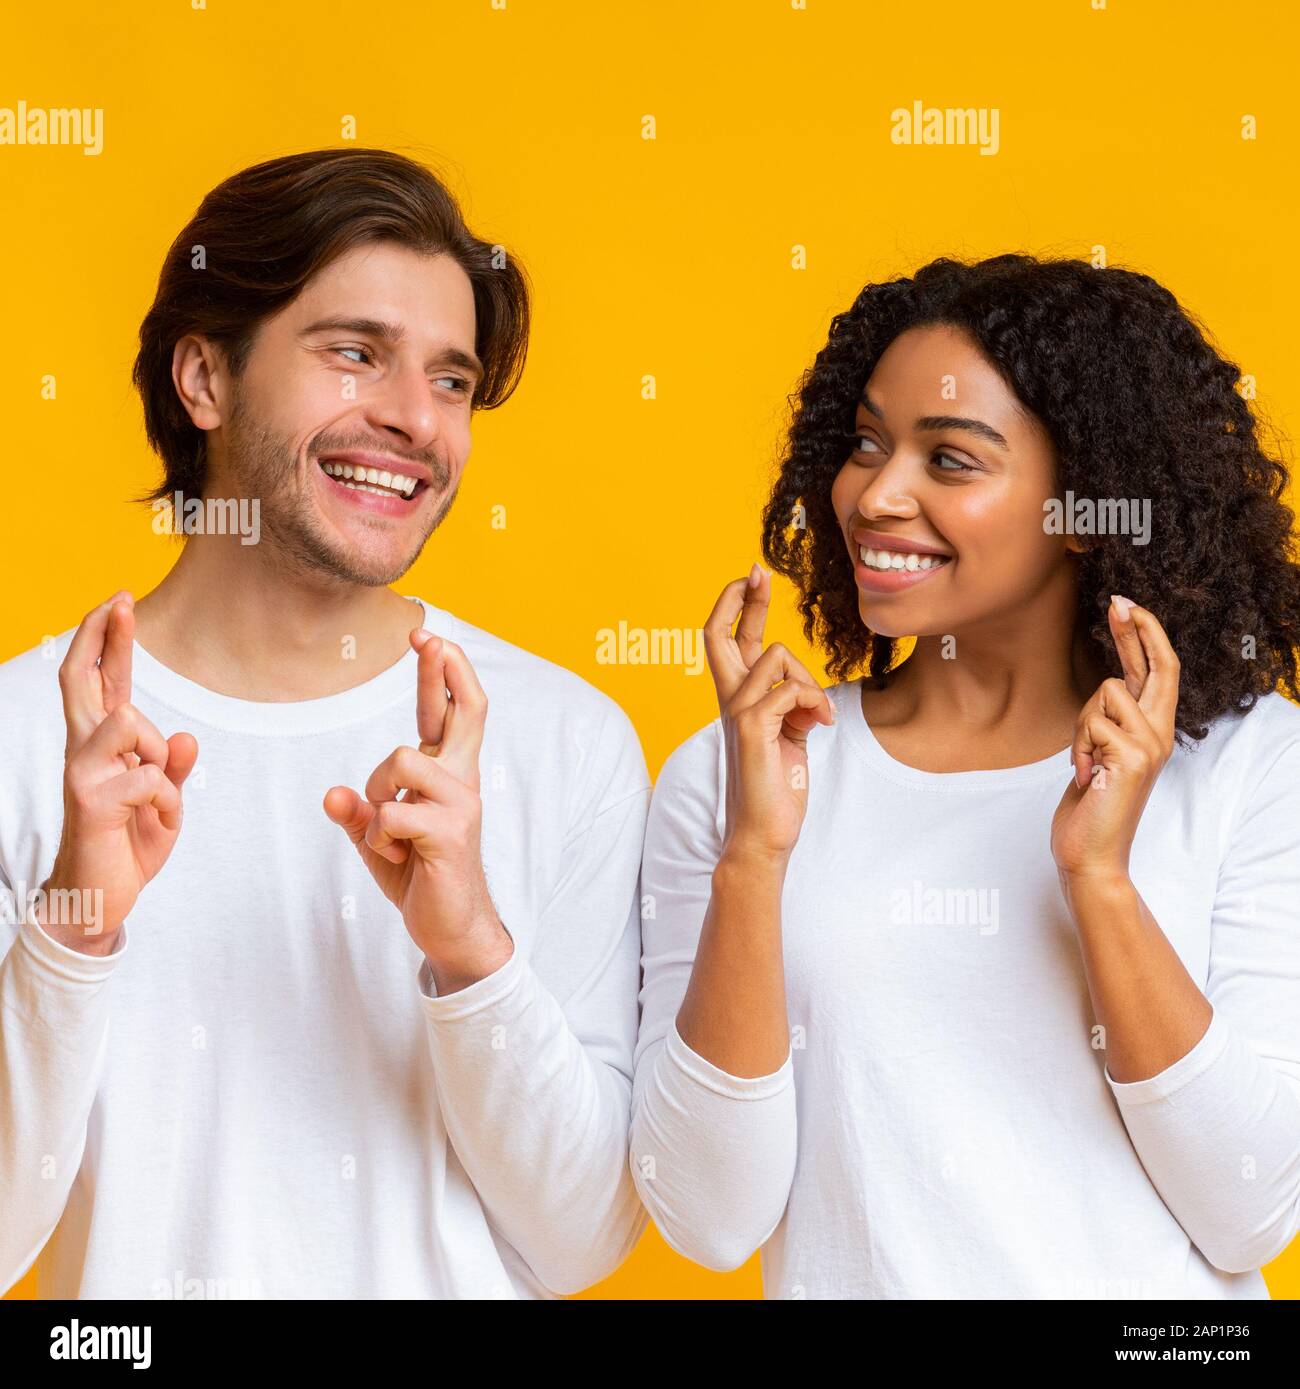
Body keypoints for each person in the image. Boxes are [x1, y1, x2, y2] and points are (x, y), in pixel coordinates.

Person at [0, 148, 649, 1299]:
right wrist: (72, 927)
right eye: (355, 353)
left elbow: (584, 1237)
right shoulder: (22, 736)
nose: (414, 419)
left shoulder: (563, 741)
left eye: (451, 381)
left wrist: (472, 957)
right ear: (204, 379)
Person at [630, 253, 1300, 1299]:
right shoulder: (746, 781)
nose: (874, 494)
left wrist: (1100, 883)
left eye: (950, 460)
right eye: (864, 443)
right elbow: (709, 1222)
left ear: (1084, 505)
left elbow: (1250, 1207)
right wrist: (752, 860)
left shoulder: (1252, 767)